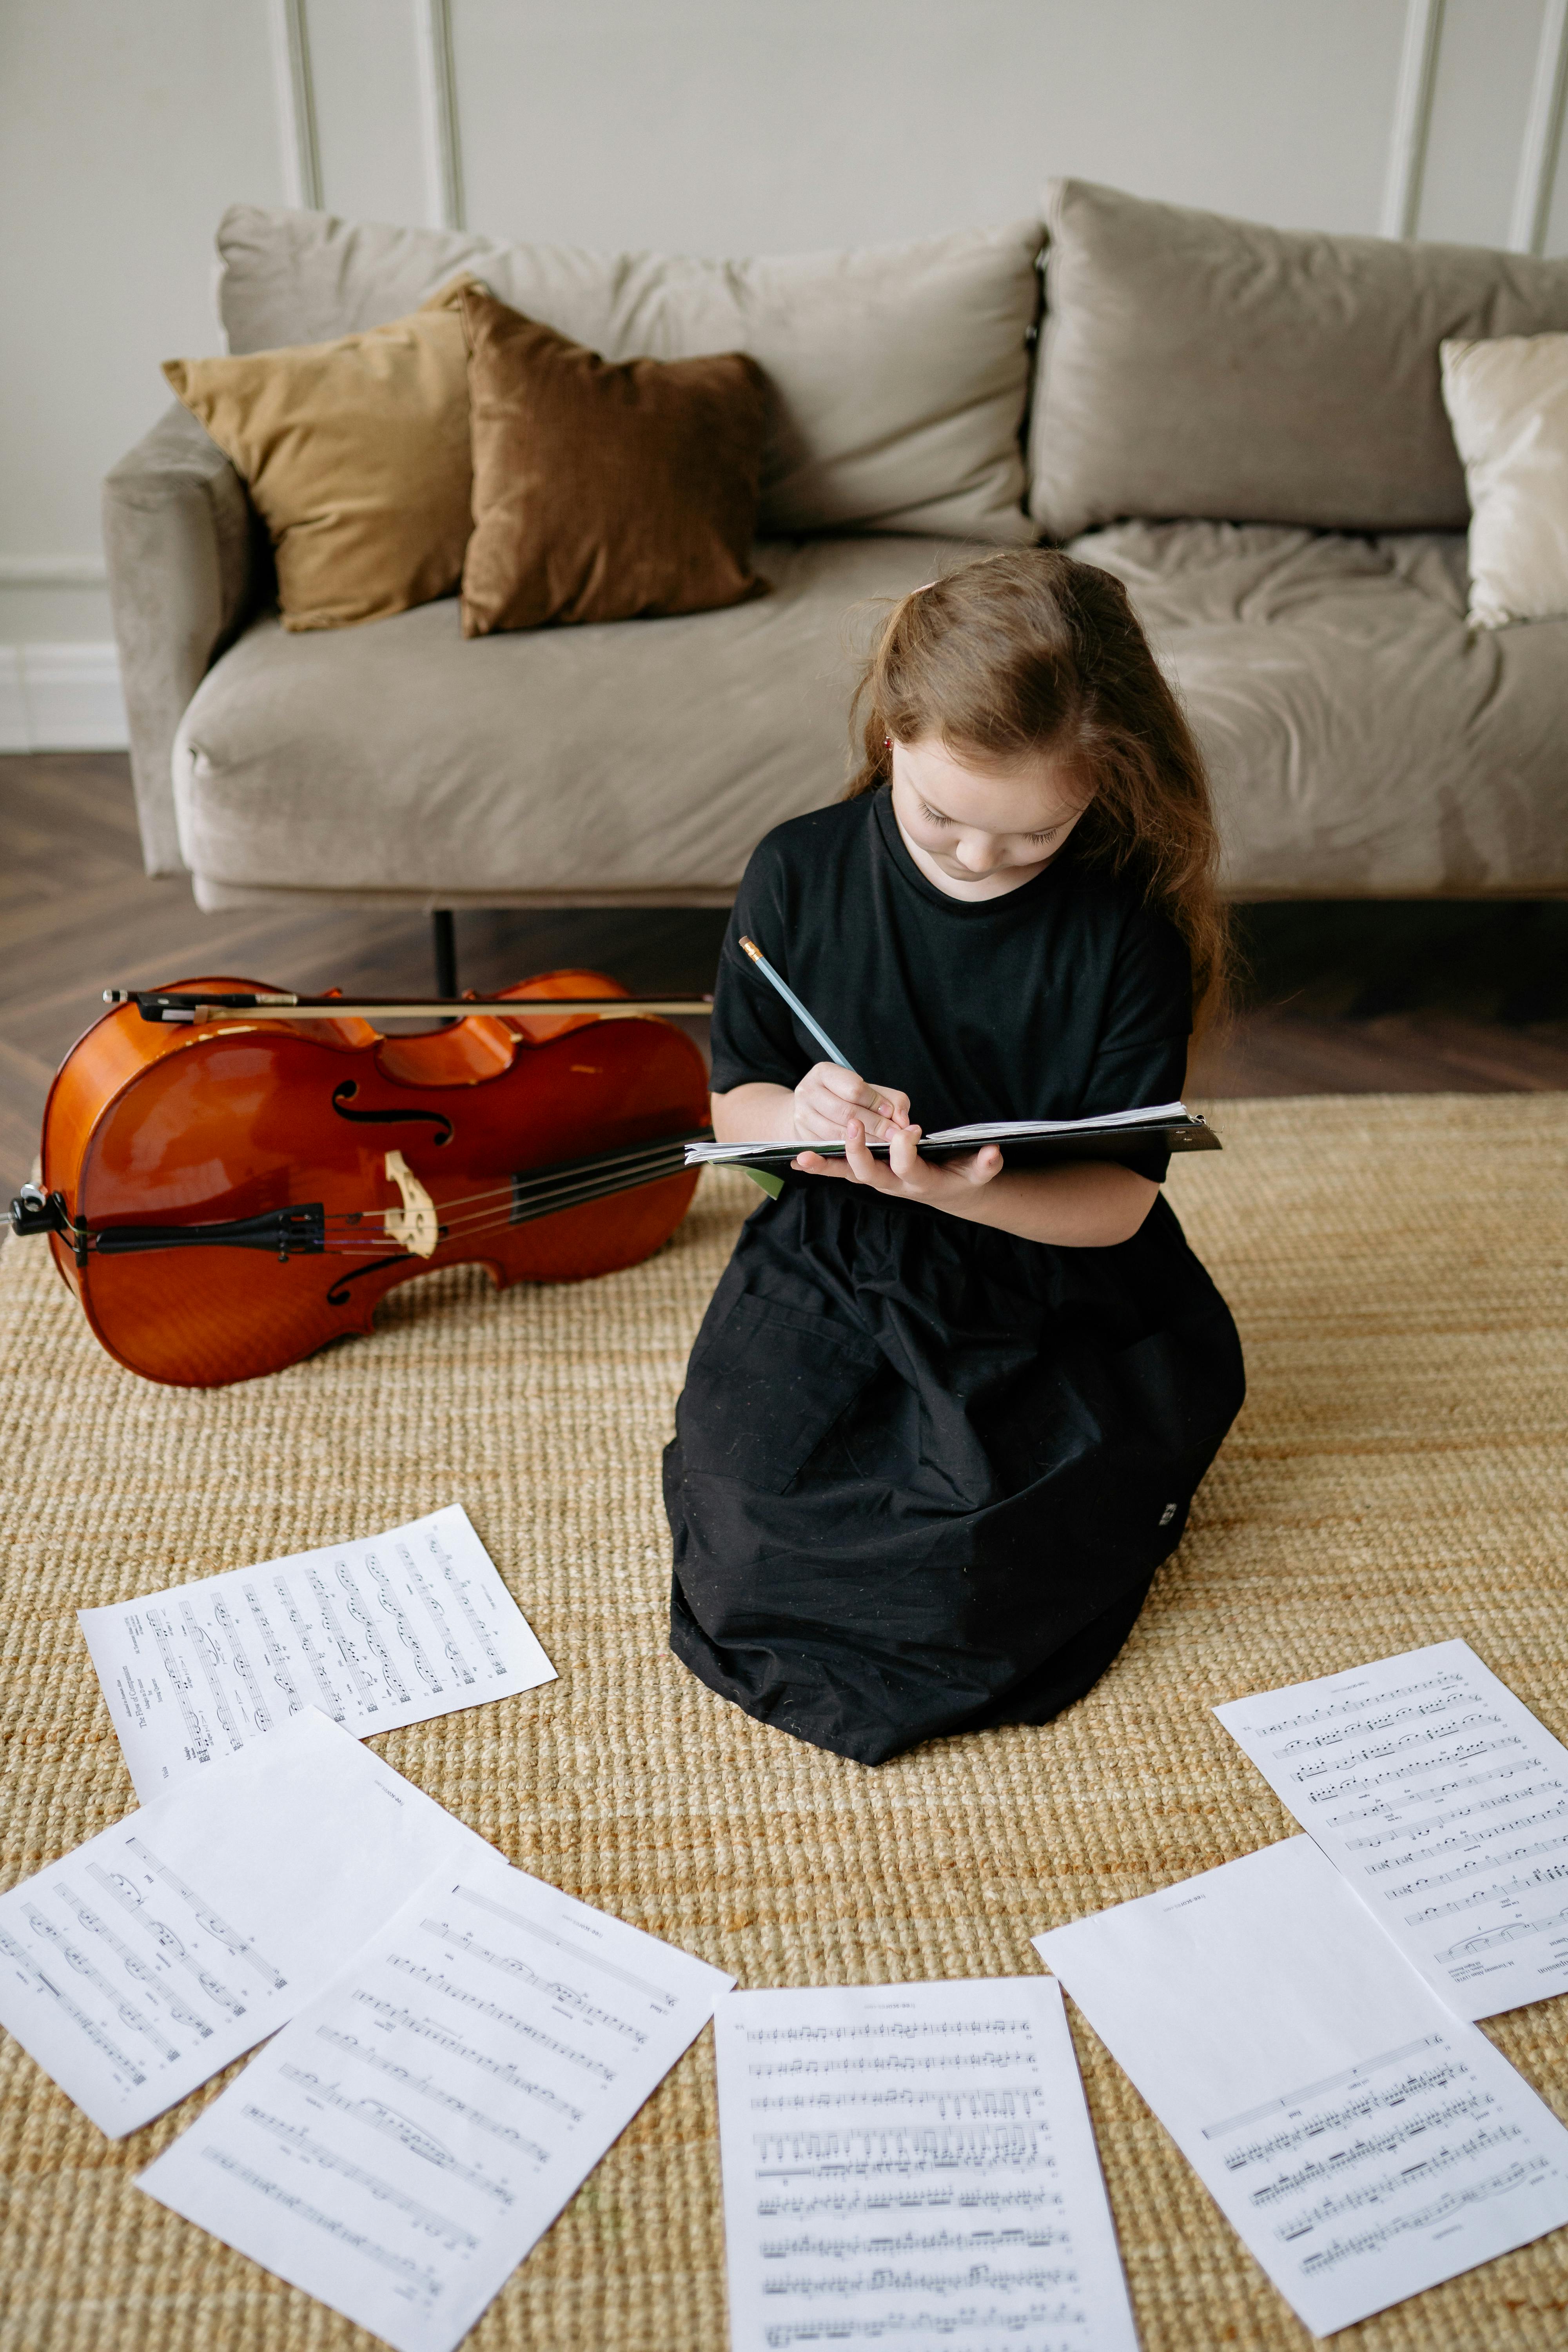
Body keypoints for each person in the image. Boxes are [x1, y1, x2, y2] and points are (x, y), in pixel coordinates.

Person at [664, 549, 1245, 1766]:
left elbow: (1117, 1205)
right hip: (837, 1252)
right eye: (941, 818)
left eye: (1034, 835)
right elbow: (737, 1102)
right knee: (748, 1512)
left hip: (1044, 1269)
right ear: (892, 736)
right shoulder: (799, 870)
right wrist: (799, 1111)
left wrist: (960, 1193)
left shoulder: (1123, 930)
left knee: (984, 1545)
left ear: (1103, 787)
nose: (979, 860)